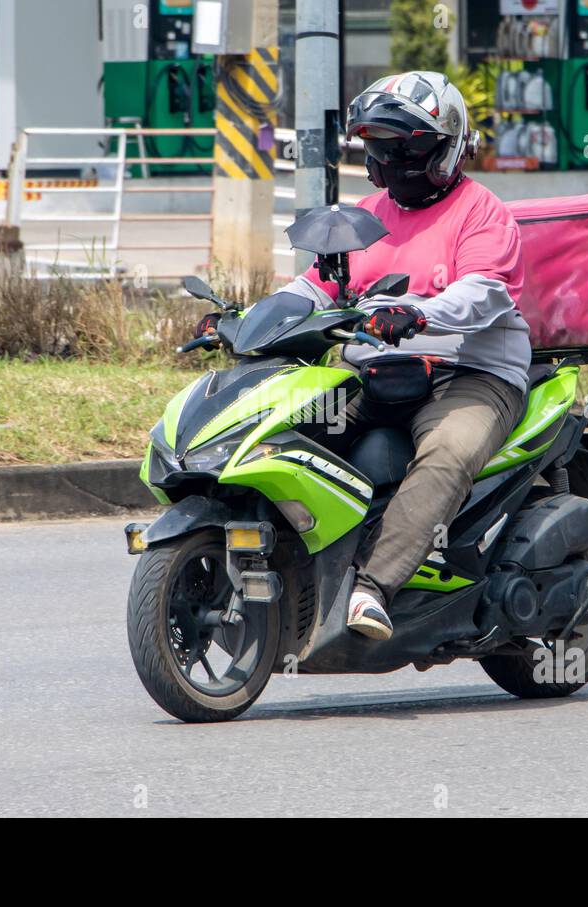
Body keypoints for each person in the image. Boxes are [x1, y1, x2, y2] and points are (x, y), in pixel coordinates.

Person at [196, 71, 531, 641]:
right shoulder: (366, 215)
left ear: (448, 145)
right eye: (381, 148)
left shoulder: (482, 212)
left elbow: (485, 291)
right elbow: (313, 288)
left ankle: (374, 587)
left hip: (471, 372)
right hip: (375, 370)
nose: (394, 161)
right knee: (286, 427)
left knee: (448, 453)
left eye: (407, 147)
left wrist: (419, 312)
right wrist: (249, 319)